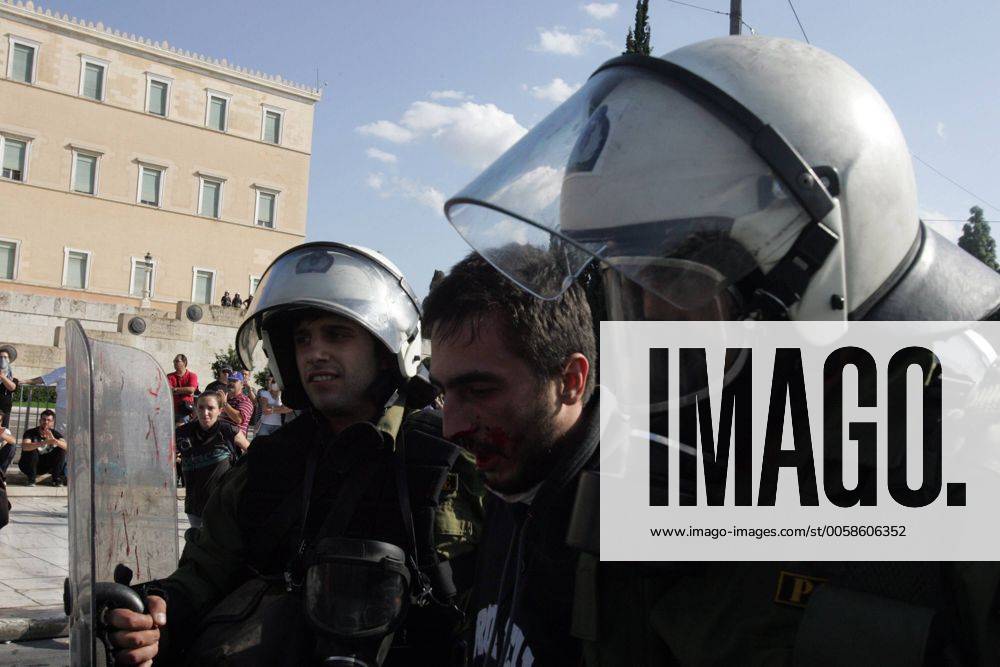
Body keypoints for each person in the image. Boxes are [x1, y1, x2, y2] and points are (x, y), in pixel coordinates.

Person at [435, 36, 1000, 665]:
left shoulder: (974, 466)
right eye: (629, 286)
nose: (651, 320)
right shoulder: (651, 472)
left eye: (677, 281)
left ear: (817, 272)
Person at [107, 242, 484, 666]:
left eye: (337, 334)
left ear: (386, 348)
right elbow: (205, 571)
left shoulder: (449, 459)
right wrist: (160, 610)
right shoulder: (268, 463)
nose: (315, 352)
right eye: (303, 339)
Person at [424, 253, 595, 667]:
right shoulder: (509, 487)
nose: (451, 428)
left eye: (480, 391)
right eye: (444, 392)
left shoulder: (641, 538)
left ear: (569, 381)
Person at [175, 391, 249, 528]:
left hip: (222, 505)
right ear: (195, 409)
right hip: (194, 505)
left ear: (220, 410)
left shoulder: (228, 430)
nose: (205, 412)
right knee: (197, 539)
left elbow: (253, 453)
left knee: (220, 540)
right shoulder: (183, 432)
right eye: (201, 407)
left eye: (210, 408)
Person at [19, 409, 67, 486]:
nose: (46, 422)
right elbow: (25, 447)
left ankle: (56, 479)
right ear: (40, 420)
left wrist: (55, 441)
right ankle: (31, 480)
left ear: (53, 422)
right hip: (27, 465)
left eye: (49, 420)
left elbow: (67, 447)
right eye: (44, 419)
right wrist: (44, 442)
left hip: (45, 466)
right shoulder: (30, 432)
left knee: (61, 449)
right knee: (32, 449)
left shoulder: (55, 434)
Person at [255, 374, 291, 438]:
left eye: (274, 382)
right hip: (264, 425)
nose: (273, 383)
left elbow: (288, 409)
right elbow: (265, 410)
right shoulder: (264, 393)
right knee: (262, 443)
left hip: (278, 425)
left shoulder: (282, 396)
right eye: (272, 382)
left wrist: (271, 409)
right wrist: (281, 408)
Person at [167, 354, 199, 425]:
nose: (174, 363)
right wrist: (185, 390)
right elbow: (168, 390)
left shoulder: (192, 376)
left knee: (182, 429)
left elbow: (191, 390)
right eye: (174, 361)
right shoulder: (169, 376)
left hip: (185, 411)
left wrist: (175, 390)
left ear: (184, 362)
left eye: (177, 361)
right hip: (172, 410)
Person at [219, 371, 254, 436]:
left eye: (234, 381)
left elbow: (239, 419)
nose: (230, 383)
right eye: (229, 381)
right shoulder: (225, 398)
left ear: (242, 384)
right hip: (219, 436)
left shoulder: (245, 400)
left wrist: (224, 403)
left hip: (233, 439)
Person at [0, 416, 14, 530]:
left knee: (11, 447)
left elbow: (13, 441)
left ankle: (1, 476)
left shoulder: (5, 431)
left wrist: (2, 434)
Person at [0, 345, 18, 429]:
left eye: (5, 357)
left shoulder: (12, 378)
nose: (2, 359)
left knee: (3, 431)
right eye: (0, 357)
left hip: (4, 409)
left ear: (9, 360)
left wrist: (2, 376)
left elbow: (12, 387)